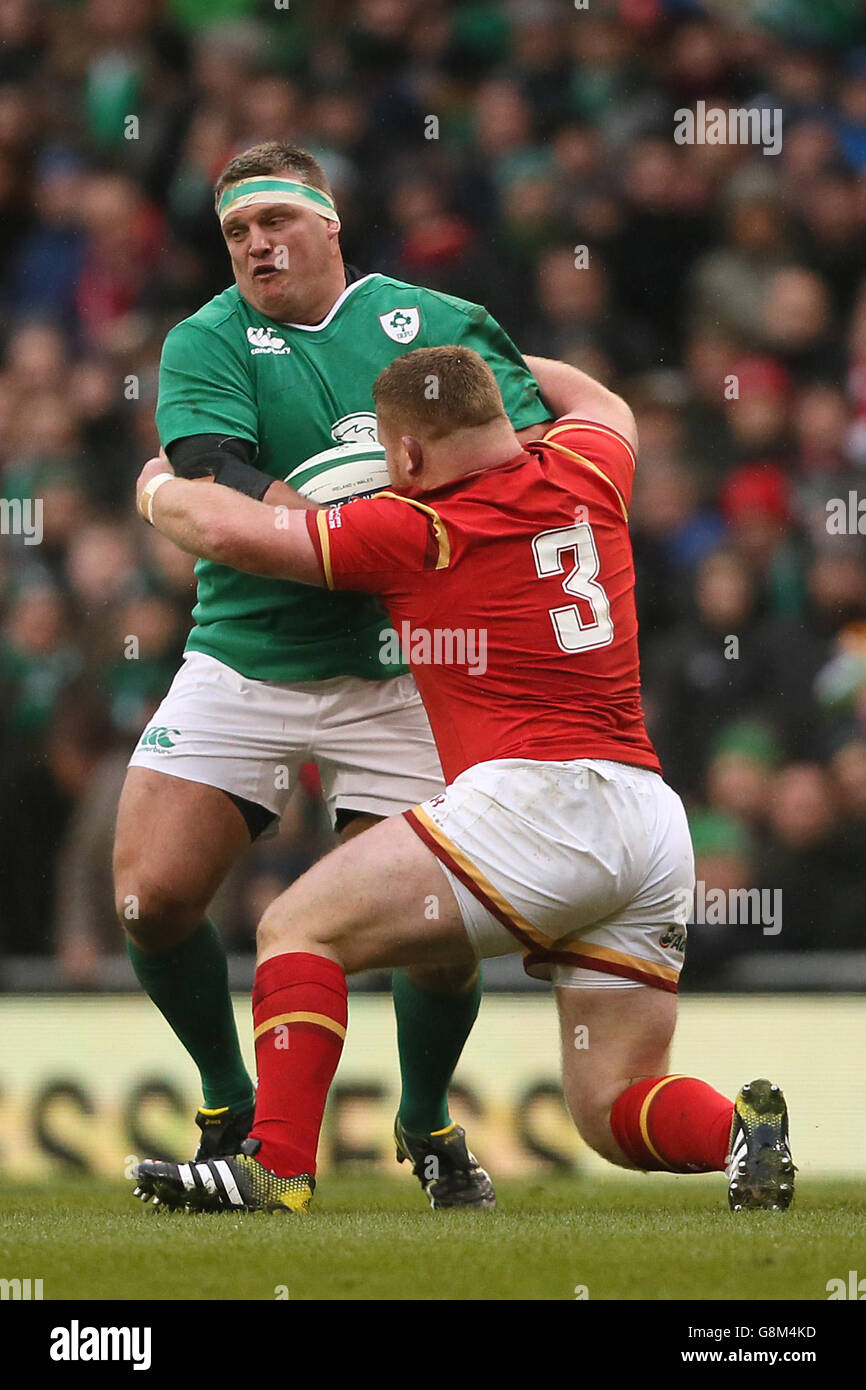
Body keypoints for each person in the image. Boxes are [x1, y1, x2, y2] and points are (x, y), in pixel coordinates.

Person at [131, 346, 795, 1215]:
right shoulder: (591, 462)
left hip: (537, 804)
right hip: (649, 820)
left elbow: (227, 533)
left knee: (296, 926)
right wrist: (498, 352)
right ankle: (738, 1134)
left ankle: (274, 1166)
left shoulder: (418, 528)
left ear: (404, 458)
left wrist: (156, 487)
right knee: (608, 1107)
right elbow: (598, 396)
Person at [115, 141, 552, 1209]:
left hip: (402, 668)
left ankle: (425, 1118)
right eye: (236, 234)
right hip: (247, 652)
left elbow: (522, 458)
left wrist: (424, 541)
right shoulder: (206, 339)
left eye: (275, 221)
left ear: (327, 220)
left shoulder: (429, 321)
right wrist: (357, 534)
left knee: (434, 939)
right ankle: (227, 1100)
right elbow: (211, 470)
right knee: (149, 896)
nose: (257, 246)